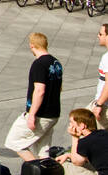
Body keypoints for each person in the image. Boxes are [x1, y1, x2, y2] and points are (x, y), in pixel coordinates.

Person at [5, 32, 64, 162]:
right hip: (54, 113)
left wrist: (31, 115)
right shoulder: (56, 62)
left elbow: (39, 90)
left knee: (14, 141)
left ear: (32, 46)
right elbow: (59, 88)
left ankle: (38, 169)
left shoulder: (39, 64)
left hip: (41, 114)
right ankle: (46, 172)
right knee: (43, 149)